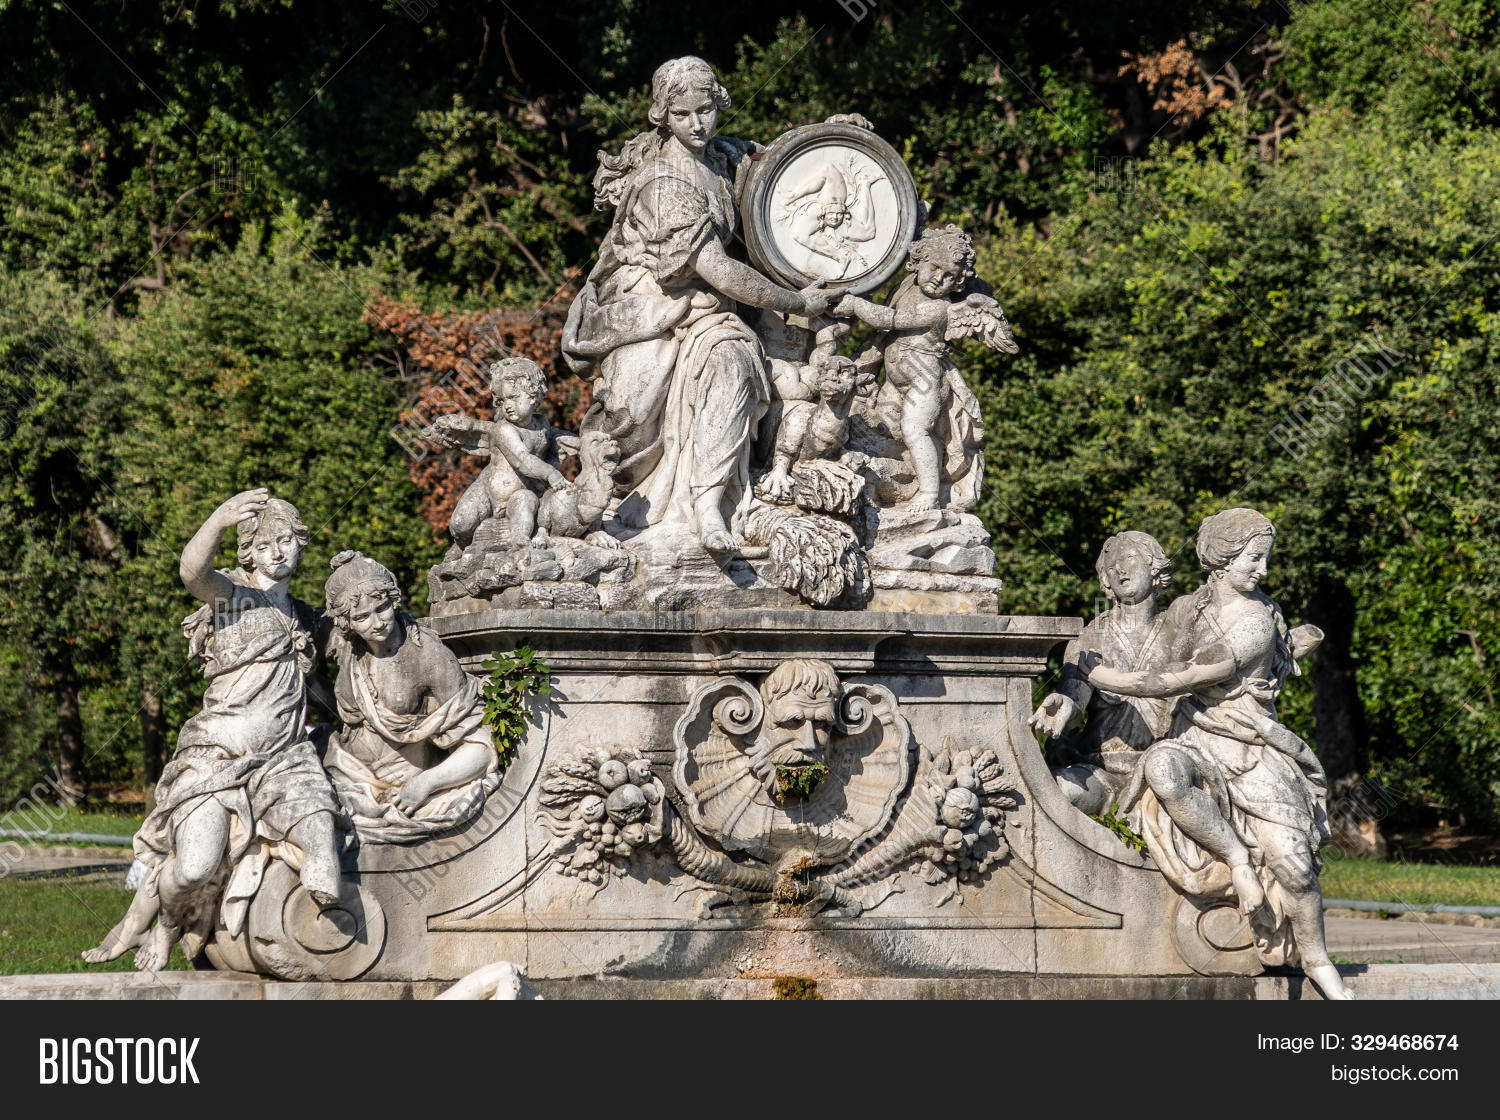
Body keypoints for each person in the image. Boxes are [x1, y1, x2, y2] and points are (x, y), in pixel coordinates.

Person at [562, 55, 838, 559]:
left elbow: (783, 163)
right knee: (629, 431)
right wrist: (799, 301)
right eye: (685, 114)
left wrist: (839, 141)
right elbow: (720, 270)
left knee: (732, 355)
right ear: (662, 115)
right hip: (649, 314)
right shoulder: (664, 182)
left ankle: (710, 506)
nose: (698, 124)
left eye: (707, 110)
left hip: (709, 313)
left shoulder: (721, 158)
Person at [1081, 508, 1352, 1000]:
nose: (1263, 570)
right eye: (1255, 558)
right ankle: (1237, 859)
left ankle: (1316, 957)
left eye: (1263, 559)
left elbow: (1183, 678)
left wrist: (1097, 676)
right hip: (1194, 741)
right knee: (1162, 766)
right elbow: (1157, 659)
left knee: (1294, 866)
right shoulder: (1186, 610)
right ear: (1222, 559)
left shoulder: (1255, 622)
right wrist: (1075, 678)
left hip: (1249, 747)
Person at [84, 490, 343, 970]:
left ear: (300, 544)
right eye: (265, 545)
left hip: (284, 760)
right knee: (195, 867)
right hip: (217, 755)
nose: (278, 552)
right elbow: (191, 573)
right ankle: (163, 927)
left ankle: (322, 925)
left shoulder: (306, 618)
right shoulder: (232, 597)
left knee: (322, 837)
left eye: (286, 540)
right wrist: (220, 520)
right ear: (248, 552)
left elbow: (346, 664)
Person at [320, 552, 499, 843]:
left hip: (405, 791)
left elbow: (481, 747)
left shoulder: (428, 657)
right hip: (346, 776)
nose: (376, 623)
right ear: (346, 622)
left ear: (394, 601)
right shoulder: (350, 650)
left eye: (382, 608)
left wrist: (427, 782)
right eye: (362, 617)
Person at [1031, 531, 1175, 815]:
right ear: (1106, 580)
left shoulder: (1179, 630)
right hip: (1102, 771)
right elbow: (1077, 697)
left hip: (1169, 765)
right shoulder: (1091, 636)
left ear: (1154, 567)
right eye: (1112, 567)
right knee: (1059, 790)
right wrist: (1067, 705)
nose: (1121, 569)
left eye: (1130, 558)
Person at [424, 357, 577, 548]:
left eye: (513, 398)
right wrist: (551, 473)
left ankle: (520, 544)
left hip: (521, 494)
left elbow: (554, 440)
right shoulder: (504, 429)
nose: (507, 405)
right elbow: (523, 460)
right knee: (461, 524)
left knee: (525, 504)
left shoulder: (543, 425)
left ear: (533, 396)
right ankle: (461, 550)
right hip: (487, 492)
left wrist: (578, 443)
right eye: (502, 400)